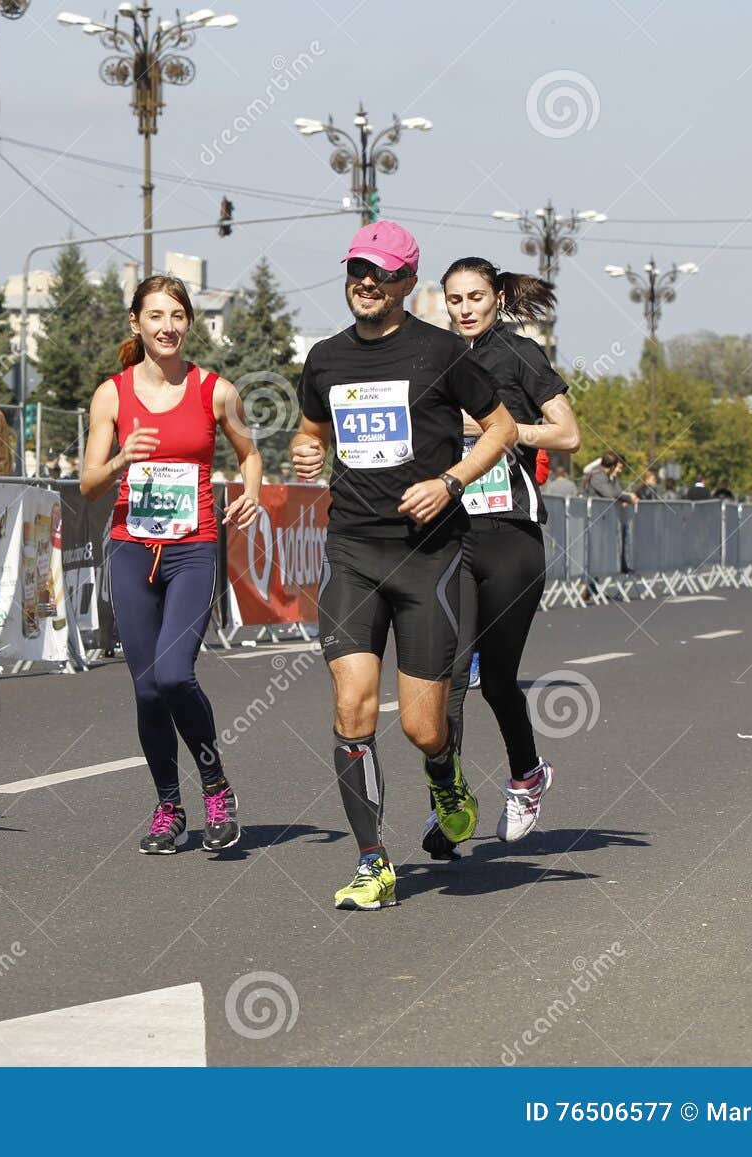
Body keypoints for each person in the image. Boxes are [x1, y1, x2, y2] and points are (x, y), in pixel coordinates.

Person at [290, 222, 516, 910]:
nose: (367, 281)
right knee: (352, 704)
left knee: (422, 726)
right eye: (357, 269)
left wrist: (451, 481)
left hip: (429, 556)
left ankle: (444, 772)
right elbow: (311, 433)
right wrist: (305, 453)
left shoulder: (441, 351)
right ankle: (372, 862)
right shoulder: (325, 358)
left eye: (382, 273)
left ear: (407, 283)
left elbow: (502, 429)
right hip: (353, 550)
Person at [80, 274, 262, 855]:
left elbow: (249, 452)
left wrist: (251, 492)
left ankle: (216, 787)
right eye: (155, 316)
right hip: (131, 549)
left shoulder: (215, 391)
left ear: (189, 323)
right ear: (136, 323)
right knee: (148, 692)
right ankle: (168, 807)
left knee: (175, 675)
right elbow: (87, 484)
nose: (167, 326)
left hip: (192, 548)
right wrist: (120, 461)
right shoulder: (112, 395)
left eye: (177, 315)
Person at [441, 257, 580, 849]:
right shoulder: (437, 358)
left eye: (475, 297)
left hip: (510, 534)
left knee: (497, 680)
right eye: (455, 300)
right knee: (446, 678)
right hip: (451, 534)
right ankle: (448, 800)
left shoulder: (520, 354)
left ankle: (527, 775)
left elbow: (568, 434)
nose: (465, 309)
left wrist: (502, 431)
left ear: (497, 297)